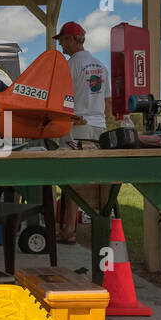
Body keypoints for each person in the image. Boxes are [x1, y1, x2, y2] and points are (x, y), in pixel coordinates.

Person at [53, 21, 110, 242]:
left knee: (71, 181)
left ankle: (68, 230)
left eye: (62, 41)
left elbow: (60, 99)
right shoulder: (100, 66)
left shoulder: (69, 66)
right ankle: (99, 229)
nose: (61, 47)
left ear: (70, 39)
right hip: (98, 128)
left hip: (75, 127)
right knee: (95, 181)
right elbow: (107, 103)